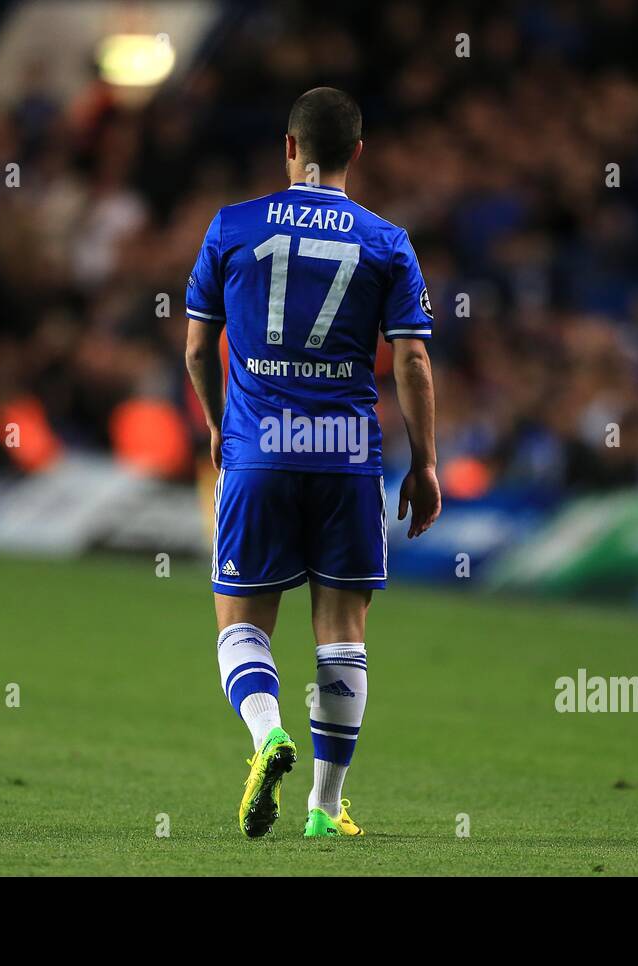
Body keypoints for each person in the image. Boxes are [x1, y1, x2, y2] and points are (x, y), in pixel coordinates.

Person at [184, 87, 441, 838]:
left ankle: (268, 735)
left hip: (258, 452)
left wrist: (215, 425)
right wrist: (424, 464)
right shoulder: (387, 240)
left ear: (289, 147)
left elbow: (199, 346)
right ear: (358, 152)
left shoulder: (232, 226)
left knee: (242, 625)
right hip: (346, 457)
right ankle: (325, 810)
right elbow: (414, 360)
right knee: (342, 632)